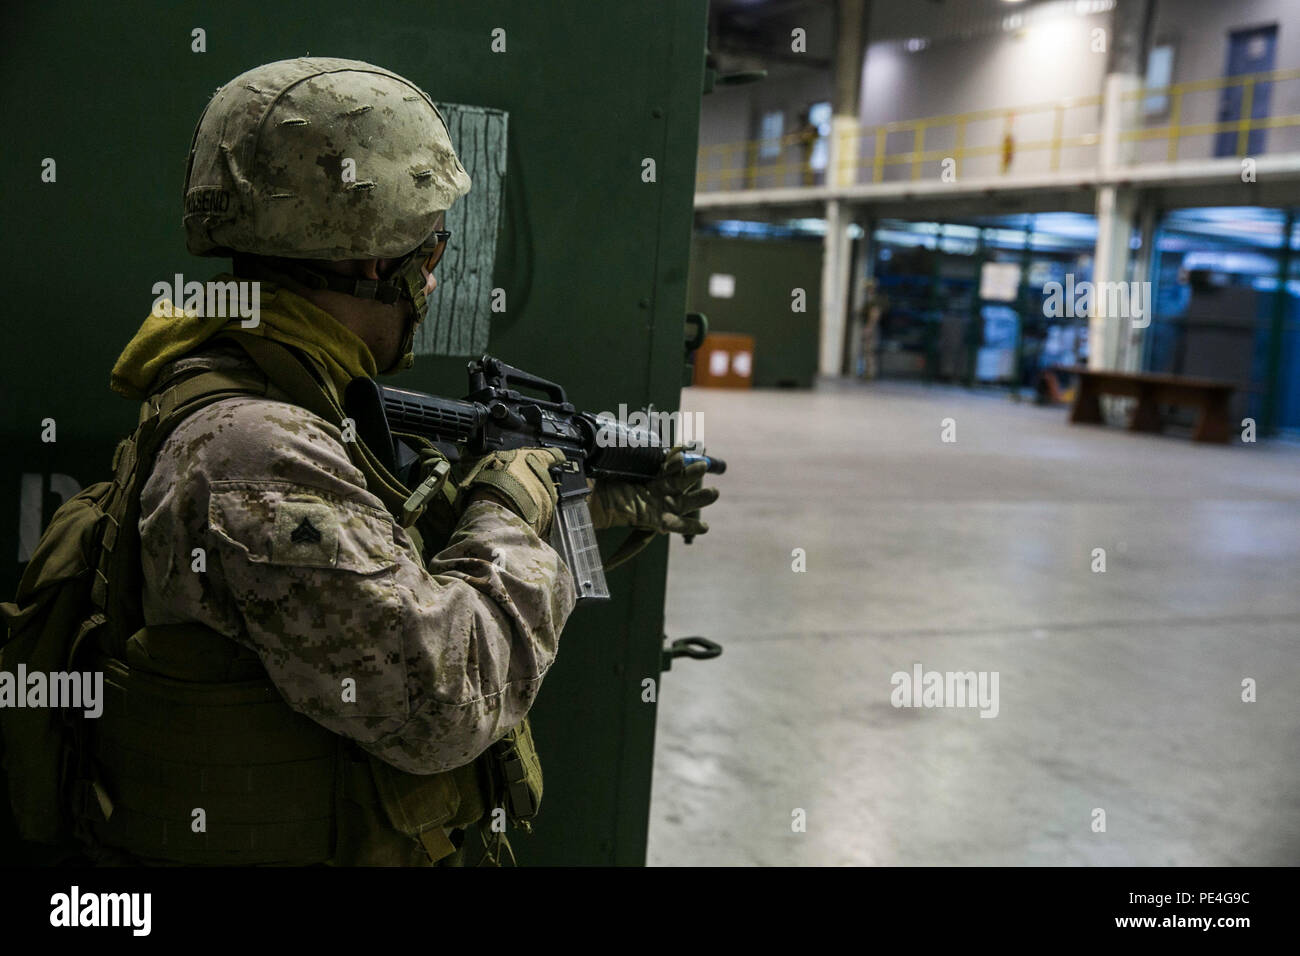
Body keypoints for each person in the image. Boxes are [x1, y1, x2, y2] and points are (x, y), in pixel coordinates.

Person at [64, 56, 718, 866]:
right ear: (378, 263)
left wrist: (587, 503)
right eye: (433, 249)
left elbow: (391, 561)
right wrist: (512, 511)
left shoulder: (269, 389)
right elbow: (443, 701)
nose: (436, 278)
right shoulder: (256, 452)